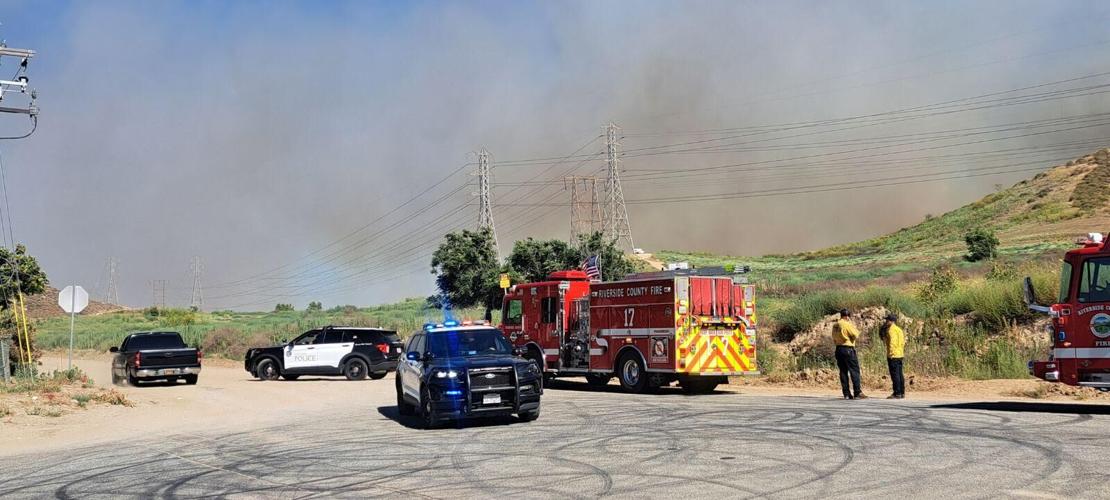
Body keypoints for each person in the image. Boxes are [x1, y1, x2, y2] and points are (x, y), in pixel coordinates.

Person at [832, 309, 867, 400]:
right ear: (847, 316)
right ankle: (857, 392)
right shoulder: (846, 324)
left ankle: (846, 393)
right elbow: (855, 334)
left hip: (838, 349)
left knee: (843, 371)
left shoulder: (835, 325)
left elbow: (834, 337)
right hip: (848, 348)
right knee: (854, 370)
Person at [880, 313, 906, 399]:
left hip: (893, 355)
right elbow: (903, 342)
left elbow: (892, 343)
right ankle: (902, 392)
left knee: (895, 375)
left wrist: (891, 353)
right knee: (899, 374)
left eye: (887, 320)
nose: (886, 322)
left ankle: (897, 393)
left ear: (891, 321)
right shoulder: (899, 329)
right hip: (900, 354)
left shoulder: (891, 330)